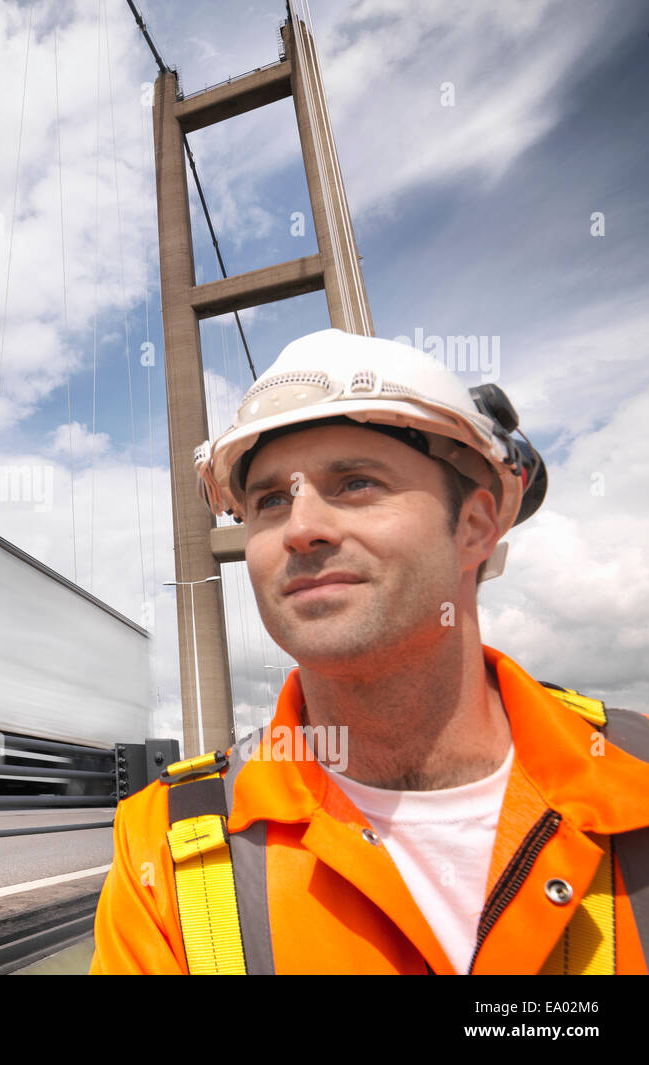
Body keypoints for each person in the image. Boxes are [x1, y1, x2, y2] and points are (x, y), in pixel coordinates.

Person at [89, 328, 649, 975]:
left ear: (474, 527)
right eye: (270, 500)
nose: (301, 528)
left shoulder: (634, 778)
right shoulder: (166, 846)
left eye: (356, 483)